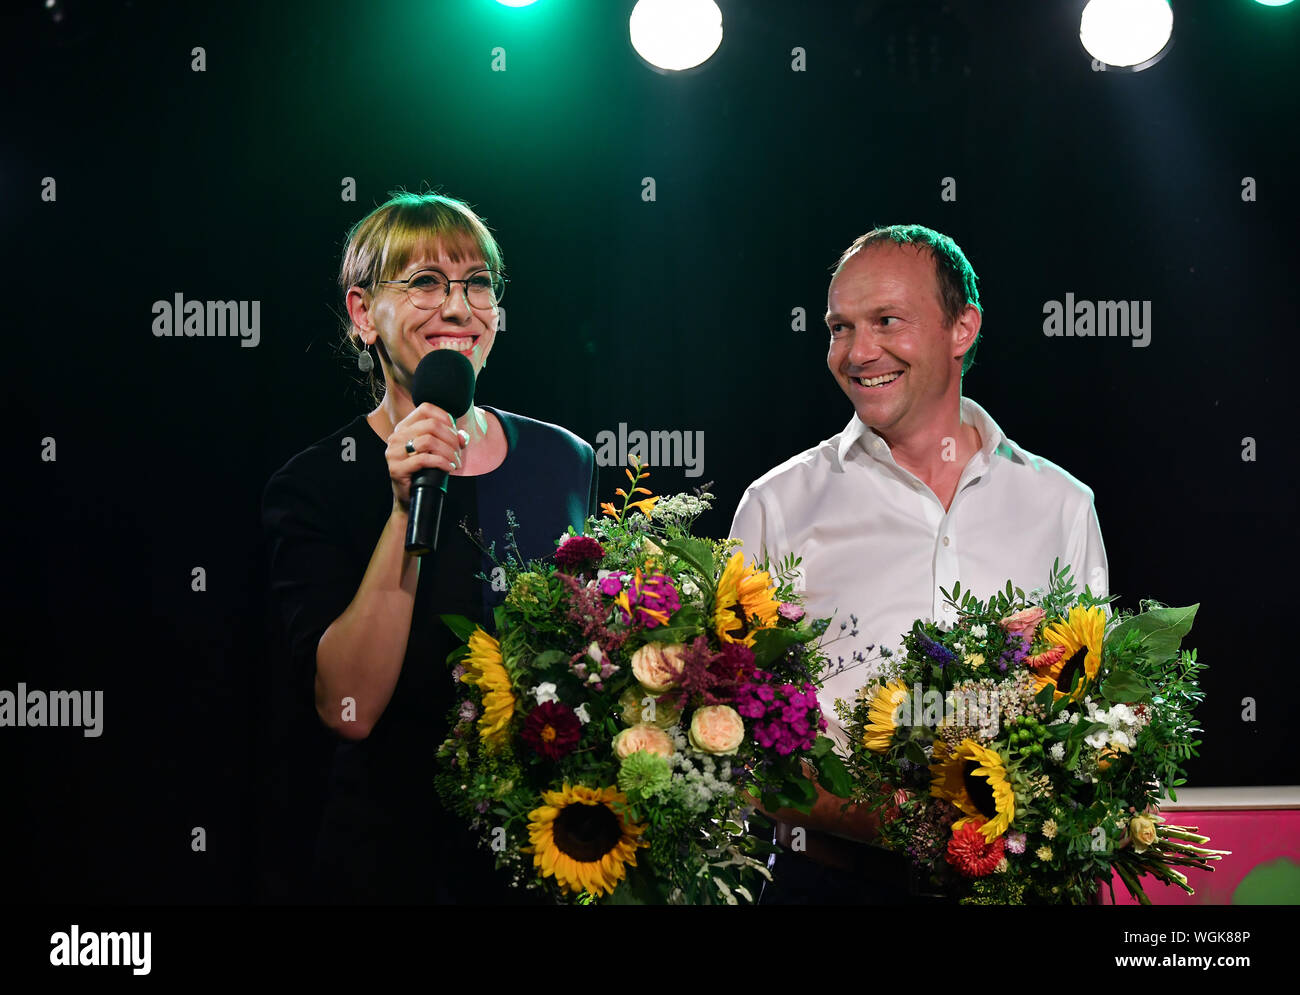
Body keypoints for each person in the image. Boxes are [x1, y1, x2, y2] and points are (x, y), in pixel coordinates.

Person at [729, 224, 1108, 904]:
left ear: (962, 328)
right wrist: (898, 822)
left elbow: (1096, 718)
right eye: (839, 327)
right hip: (831, 885)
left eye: (886, 321)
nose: (858, 351)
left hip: (1020, 887)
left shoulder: (1060, 504)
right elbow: (739, 735)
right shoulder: (778, 503)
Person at [261, 190, 597, 903]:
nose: (458, 307)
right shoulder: (314, 485)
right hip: (392, 864)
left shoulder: (563, 458)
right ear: (362, 315)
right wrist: (402, 512)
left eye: (478, 283)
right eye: (424, 283)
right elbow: (346, 705)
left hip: (550, 861)